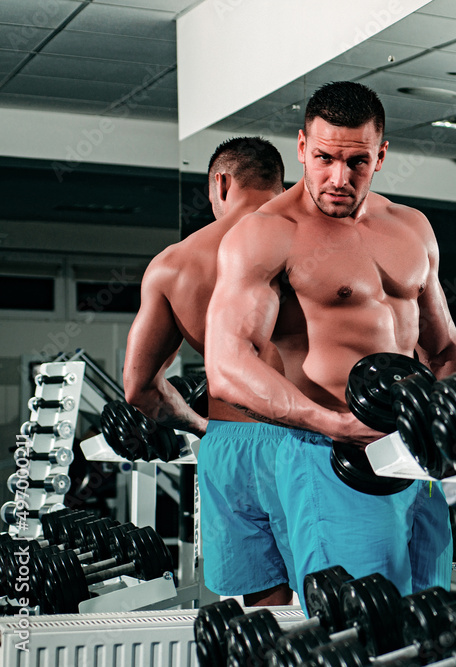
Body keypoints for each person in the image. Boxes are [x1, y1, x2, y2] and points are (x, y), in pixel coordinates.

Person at [203, 81, 456, 600]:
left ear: (381, 155)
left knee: (431, 620)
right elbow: (227, 364)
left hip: (415, 456)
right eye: (324, 158)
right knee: (360, 630)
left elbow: (443, 350)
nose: (338, 178)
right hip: (332, 456)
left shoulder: (412, 227)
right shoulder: (267, 234)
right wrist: (337, 426)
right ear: (302, 147)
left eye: (358, 163)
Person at [122, 136, 287, 604]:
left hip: (229, 443)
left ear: (221, 182)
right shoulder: (303, 238)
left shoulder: (171, 266)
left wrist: (201, 426)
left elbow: (138, 389)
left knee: (261, 610)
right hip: (305, 440)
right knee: (331, 603)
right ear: (280, 184)